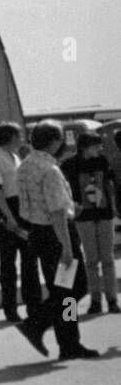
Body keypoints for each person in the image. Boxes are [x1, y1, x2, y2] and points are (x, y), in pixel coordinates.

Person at [14, 120, 98, 361]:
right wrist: (67, 247)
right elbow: (57, 212)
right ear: (54, 141)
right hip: (57, 235)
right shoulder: (50, 169)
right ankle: (36, 324)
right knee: (75, 288)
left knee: (63, 290)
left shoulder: (26, 165)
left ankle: (69, 343)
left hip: (39, 234)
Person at [0, 122, 40, 322]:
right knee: (8, 263)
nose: (21, 139)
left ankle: (33, 305)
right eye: (19, 135)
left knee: (29, 261)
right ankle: (10, 308)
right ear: (11, 137)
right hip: (7, 209)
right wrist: (10, 218)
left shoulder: (15, 157)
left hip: (21, 208)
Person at [61, 132, 119, 314]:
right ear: (85, 146)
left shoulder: (102, 161)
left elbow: (110, 185)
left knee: (108, 259)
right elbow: (64, 188)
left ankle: (112, 299)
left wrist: (114, 207)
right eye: (96, 145)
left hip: (104, 213)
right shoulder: (70, 164)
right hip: (83, 216)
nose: (99, 149)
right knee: (91, 260)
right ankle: (95, 300)